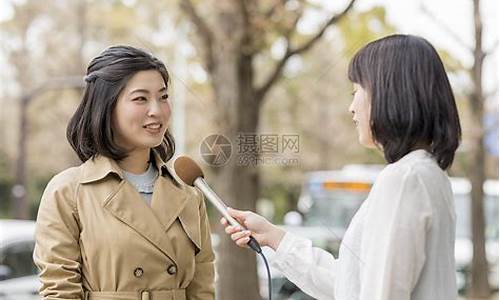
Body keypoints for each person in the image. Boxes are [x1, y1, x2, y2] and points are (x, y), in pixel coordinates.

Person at [222, 34, 461, 300]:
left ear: (388, 92)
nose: (351, 108)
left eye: (356, 91)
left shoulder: (403, 180)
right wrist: (274, 237)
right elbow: (351, 285)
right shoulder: (429, 175)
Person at [33, 45, 215, 300]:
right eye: (141, 98)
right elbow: (59, 290)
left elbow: (203, 289)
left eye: (163, 97)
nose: (157, 110)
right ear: (106, 106)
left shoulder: (188, 193)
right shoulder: (68, 192)